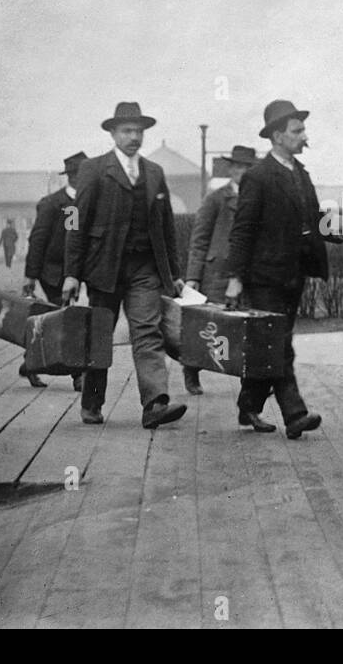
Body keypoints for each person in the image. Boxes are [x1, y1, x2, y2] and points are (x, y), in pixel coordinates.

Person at [224, 99, 343, 438]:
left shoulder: (300, 174)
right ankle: (295, 414)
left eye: (302, 129)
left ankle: (248, 404)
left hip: (294, 274)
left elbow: (314, 219)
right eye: (297, 130)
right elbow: (243, 230)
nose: (304, 136)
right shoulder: (258, 177)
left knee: (270, 344)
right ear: (278, 136)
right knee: (279, 346)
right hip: (264, 277)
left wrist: (337, 231)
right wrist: (235, 279)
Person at [62, 103, 187, 429]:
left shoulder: (154, 173)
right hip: (103, 268)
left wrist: (174, 275)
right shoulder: (93, 169)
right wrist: (72, 274)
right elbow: (75, 223)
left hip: (144, 269)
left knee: (147, 331)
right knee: (100, 336)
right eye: (127, 131)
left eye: (138, 131)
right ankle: (91, 402)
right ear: (113, 134)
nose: (134, 137)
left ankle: (155, 403)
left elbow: (166, 227)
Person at [182, 144, 258, 396]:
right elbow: (199, 239)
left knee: (248, 325)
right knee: (208, 325)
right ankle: (191, 369)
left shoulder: (259, 198)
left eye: (247, 167)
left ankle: (251, 381)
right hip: (217, 272)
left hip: (249, 272)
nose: (241, 171)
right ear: (230, 169)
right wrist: (193, 277)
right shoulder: (216, 199)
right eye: (237, 166)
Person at [21, 151, 87, 389]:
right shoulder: (51, 203)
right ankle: (78, 374)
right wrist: (30, 274)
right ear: (71, 177)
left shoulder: (89, 201)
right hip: (54, 272)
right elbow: (37, 240)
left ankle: (31, 361)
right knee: (68, 321)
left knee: (63, 320)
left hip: (82, 272)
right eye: (80, 174)